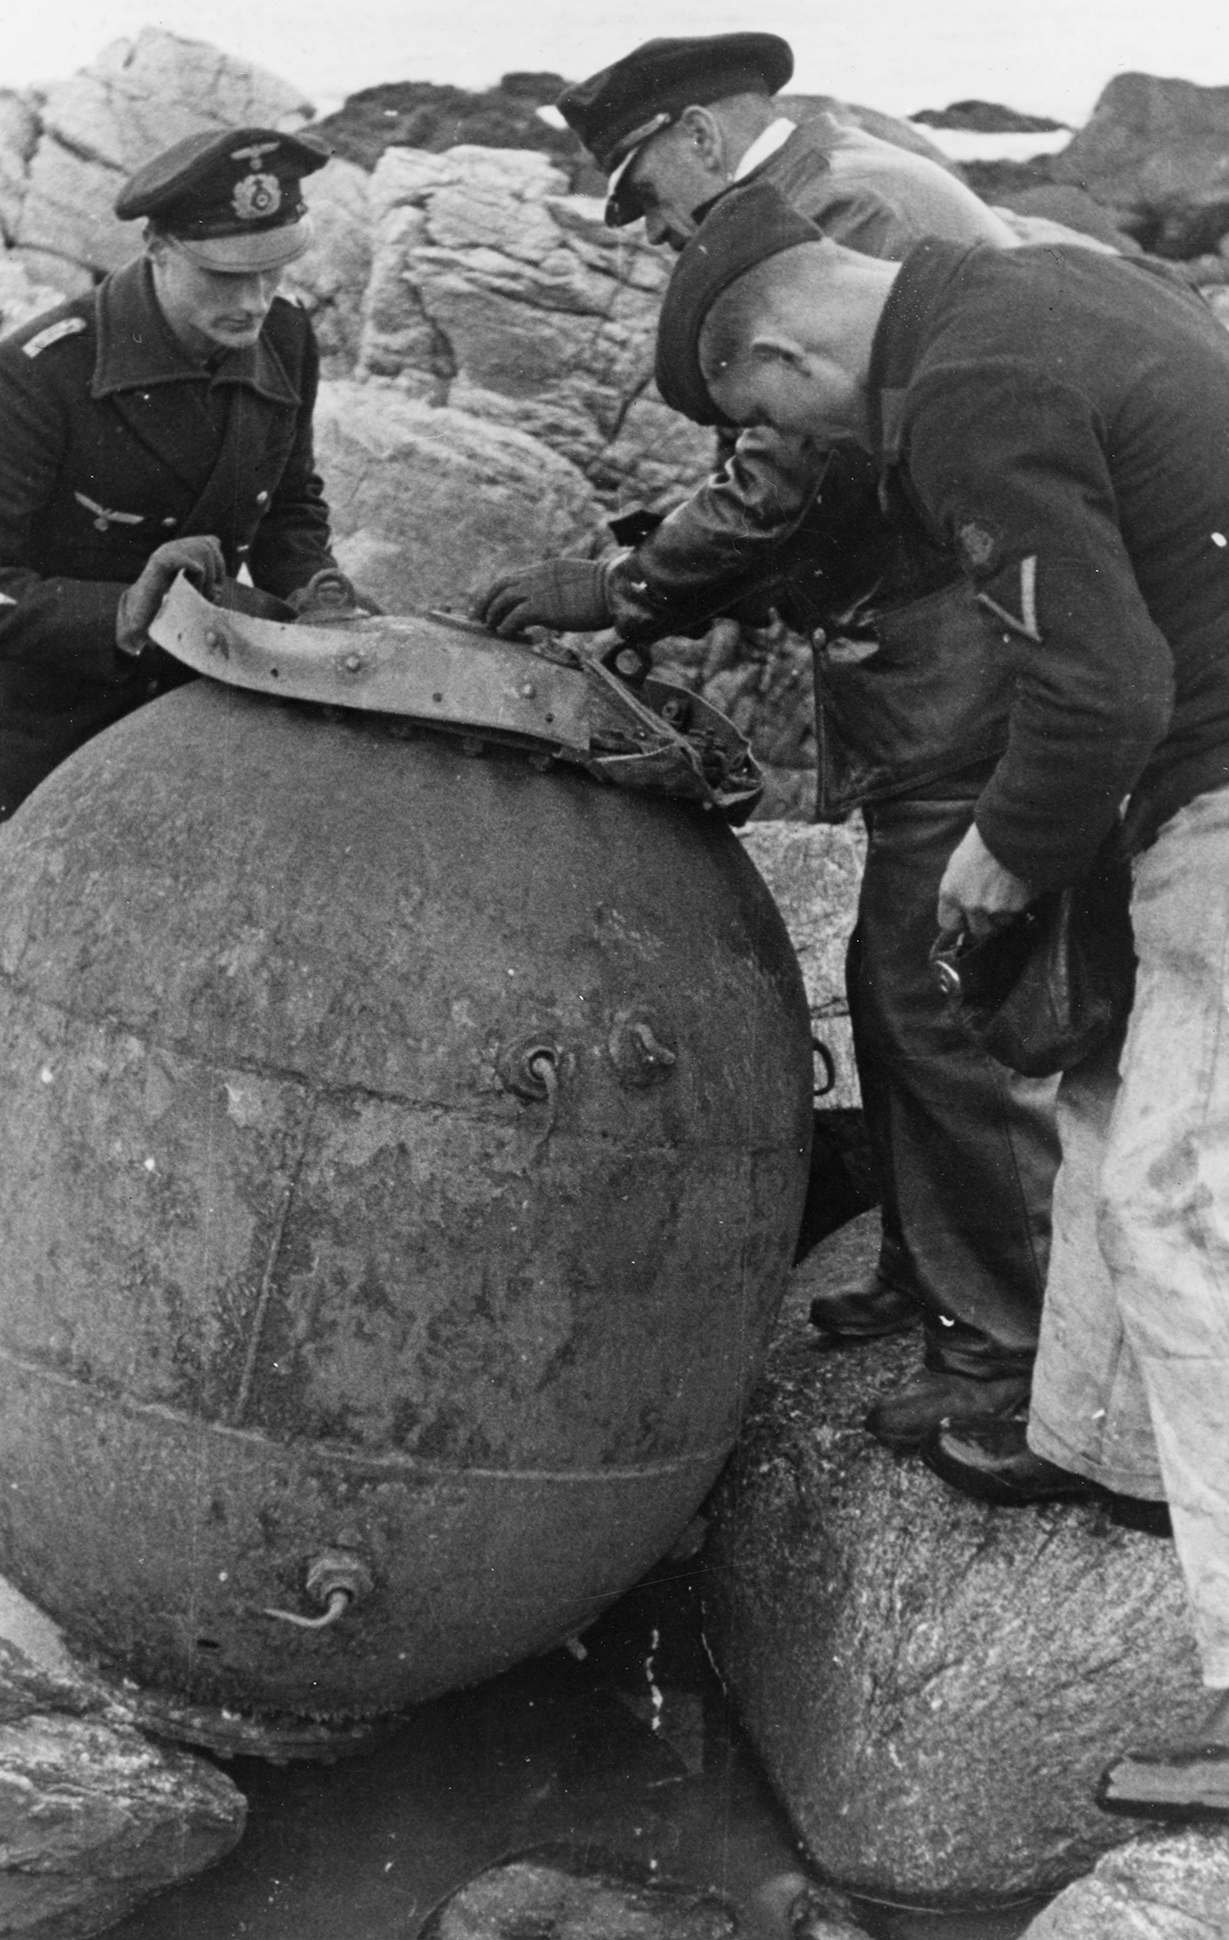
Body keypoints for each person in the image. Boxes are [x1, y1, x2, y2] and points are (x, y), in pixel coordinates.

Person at [653, 174, 1229, 1816]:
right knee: (1113, 1114)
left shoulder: (961, 390)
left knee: (1179, 1222)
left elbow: (1098, 682)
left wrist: (993, 861)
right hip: (1183, 769)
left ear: (766, 353)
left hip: (1204, 786)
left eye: (753, 405)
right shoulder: (1056, 281)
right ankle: (1098, 1452)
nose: (781, 432)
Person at [474, 34, 1064, 1451]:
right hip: (950, 649)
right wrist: (699, 580)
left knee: (940, 997)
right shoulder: (860, 175)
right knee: (890, 971)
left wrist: (627, 591)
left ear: (688, 136)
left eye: (644, 191)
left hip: (960, 666)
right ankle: (936, 1273)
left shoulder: (838, 213)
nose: (661, 231)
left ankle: (1012, 1348)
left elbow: (789, 470)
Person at [0, 126, 359, 830]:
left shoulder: (284, 338)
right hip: (51, 747)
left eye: (273, 271)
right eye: (226, 275)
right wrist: (117, 611)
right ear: (158, 252)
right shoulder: (35, 377)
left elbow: (289, 506)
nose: (257, 299)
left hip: (202, 718)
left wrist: (314, 589)